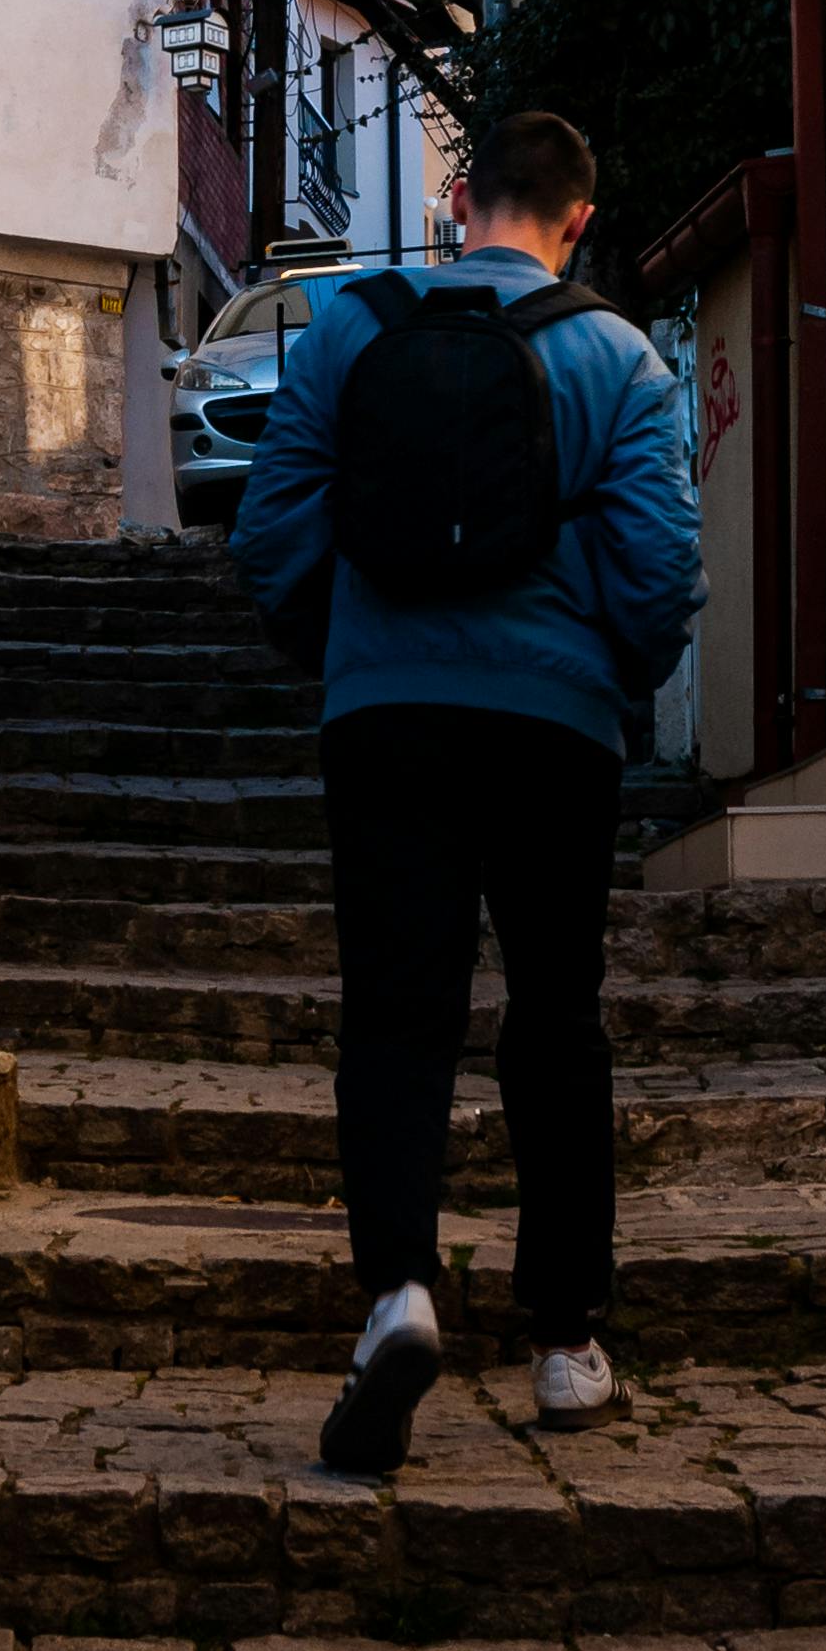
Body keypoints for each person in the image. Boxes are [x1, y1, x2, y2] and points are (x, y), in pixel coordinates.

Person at [229, 108, 704, 1477]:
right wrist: (606, 670)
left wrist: (353, 651)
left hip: (386, 718)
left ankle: (396, 1296)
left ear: (456, 201)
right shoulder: (616, 353)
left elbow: (270, 527)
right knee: (555, 1019)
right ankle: (563, 1343)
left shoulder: (344, 329)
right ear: (578, 220)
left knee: (394, 1012)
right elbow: (661, 563)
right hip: (552, 725)